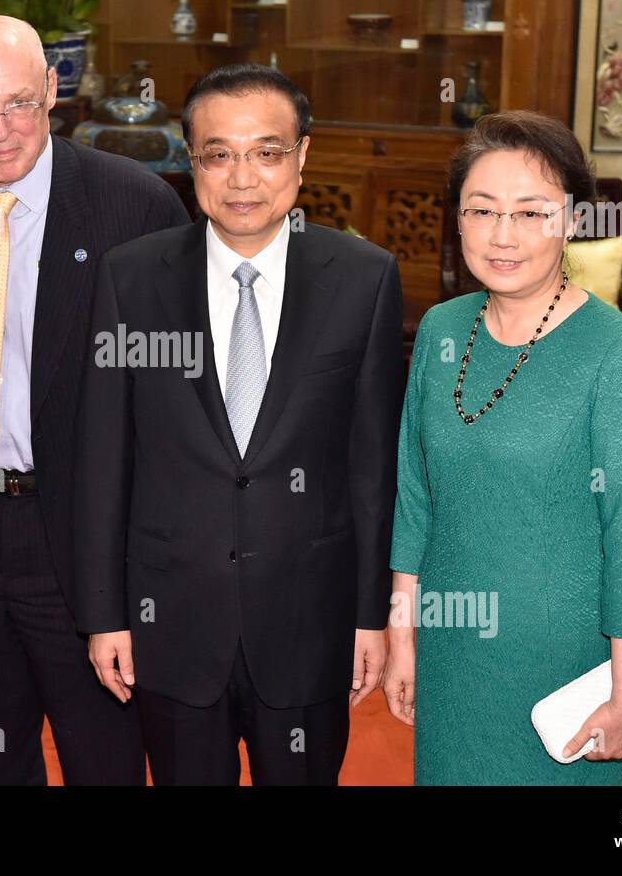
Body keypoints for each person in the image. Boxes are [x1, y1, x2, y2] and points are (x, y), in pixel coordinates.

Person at [74, 63, 404, 785]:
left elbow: (373, 467)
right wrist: (104, 614)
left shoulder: (363, 278)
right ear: (190, 161)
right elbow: (103, 461)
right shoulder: (131, 277)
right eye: (219, 154)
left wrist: (369, 614)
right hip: (171, 625)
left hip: (309, 625)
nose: (243, 177)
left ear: (303, 155)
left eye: (267, 151)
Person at [0, 15, 191, 785]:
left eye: (21, 103)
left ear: (54, 90)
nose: (1, 131)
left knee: (104, 757)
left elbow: (174, 409)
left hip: (83, 534)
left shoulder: (137, 208)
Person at [382, 110, 622, 784]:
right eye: (482, 210)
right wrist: (402, 633)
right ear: (457, 219)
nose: (503, 235)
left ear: (572, 220)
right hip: (453, 660)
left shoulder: (617, 355)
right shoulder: (441, 328)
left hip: (558, 668)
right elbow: (415, 496)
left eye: (532, 212)